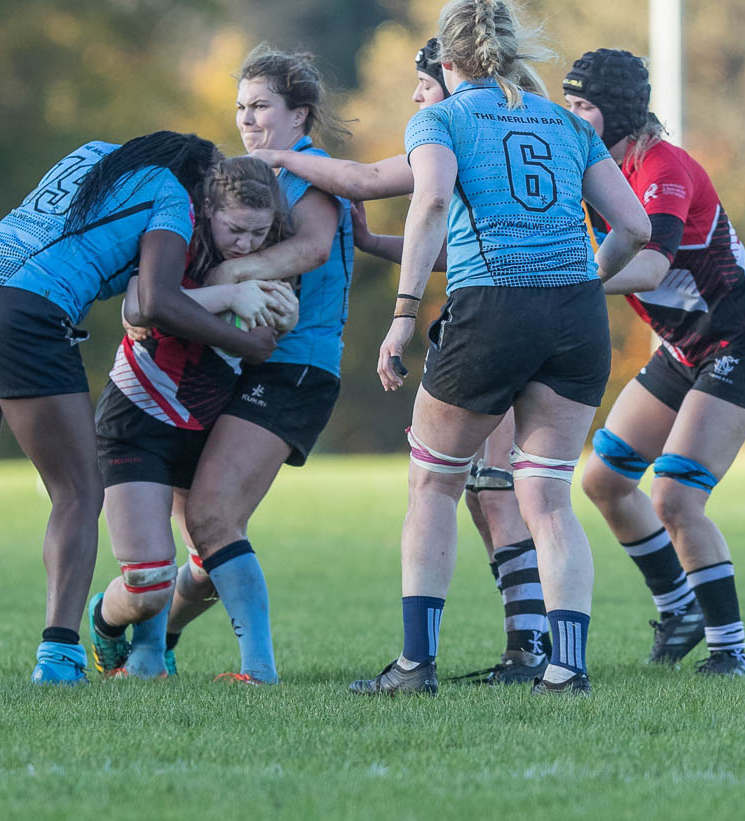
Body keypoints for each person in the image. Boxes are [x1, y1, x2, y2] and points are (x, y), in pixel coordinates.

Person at [0, 131, 277, 686]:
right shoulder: (172, 194)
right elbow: (158, 301)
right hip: (28, 309)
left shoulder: (89, 154)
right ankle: (60, 658)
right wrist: (244, 342)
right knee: (79, 491)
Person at [345, 0, 649, 697]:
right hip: (576, 314)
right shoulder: (564, 121)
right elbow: (635, 227)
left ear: (448, 61)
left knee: (433, 481)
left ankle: (415, 666)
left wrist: (401, 316)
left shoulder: (441, 117)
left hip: (493, 305)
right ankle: (565, 669)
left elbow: (430, 203)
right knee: (548, 494)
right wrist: (584, 277)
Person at [258, 39, 555, 684]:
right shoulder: (524, 125)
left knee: (481, 484)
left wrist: (276, 157)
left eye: (425, 82)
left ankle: (505, 651)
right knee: (495, 484)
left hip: (496, 319)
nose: (418, 97)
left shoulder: (454, 128)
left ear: (453, 77)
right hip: (553, 314)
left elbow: (363, 179)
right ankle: (533, 647)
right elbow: (453, 248)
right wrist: (372, 241)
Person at [571, 49, 745, 677]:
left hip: (737, 347)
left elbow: (650, 267)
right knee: (603, 480)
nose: (571, 117)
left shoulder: (664, 167)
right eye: (567, 104)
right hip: (683, 350)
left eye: (583, 106)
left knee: (676, 497)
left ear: (618, 112)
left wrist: (564, 284)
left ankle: (731, 653)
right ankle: (679, 609)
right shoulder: (598, 169)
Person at [153, 45, 353, 685]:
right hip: (235, 364)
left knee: (212, 520)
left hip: (293, 366)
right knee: (205, 536)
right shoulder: (242, 176)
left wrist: (228, 277)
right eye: (241, 106)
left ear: (300, 115)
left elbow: (314, 248)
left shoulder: (312, 173)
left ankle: (255, 671)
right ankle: (151, 642)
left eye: (262, 106)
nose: (247, 118)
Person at [88, 156, 298, 678]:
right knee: (149, 581)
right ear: (207, 209)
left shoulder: (272, 253)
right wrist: (230, 294)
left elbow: (266, 337)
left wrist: (284, 315)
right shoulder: (175, 234)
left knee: (213, 552)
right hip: (136, 416)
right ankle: (104, 620)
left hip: (204, 423)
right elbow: (138, 307)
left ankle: (217, 666)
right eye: (235, 229)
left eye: (258, 232)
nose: (246, 243)